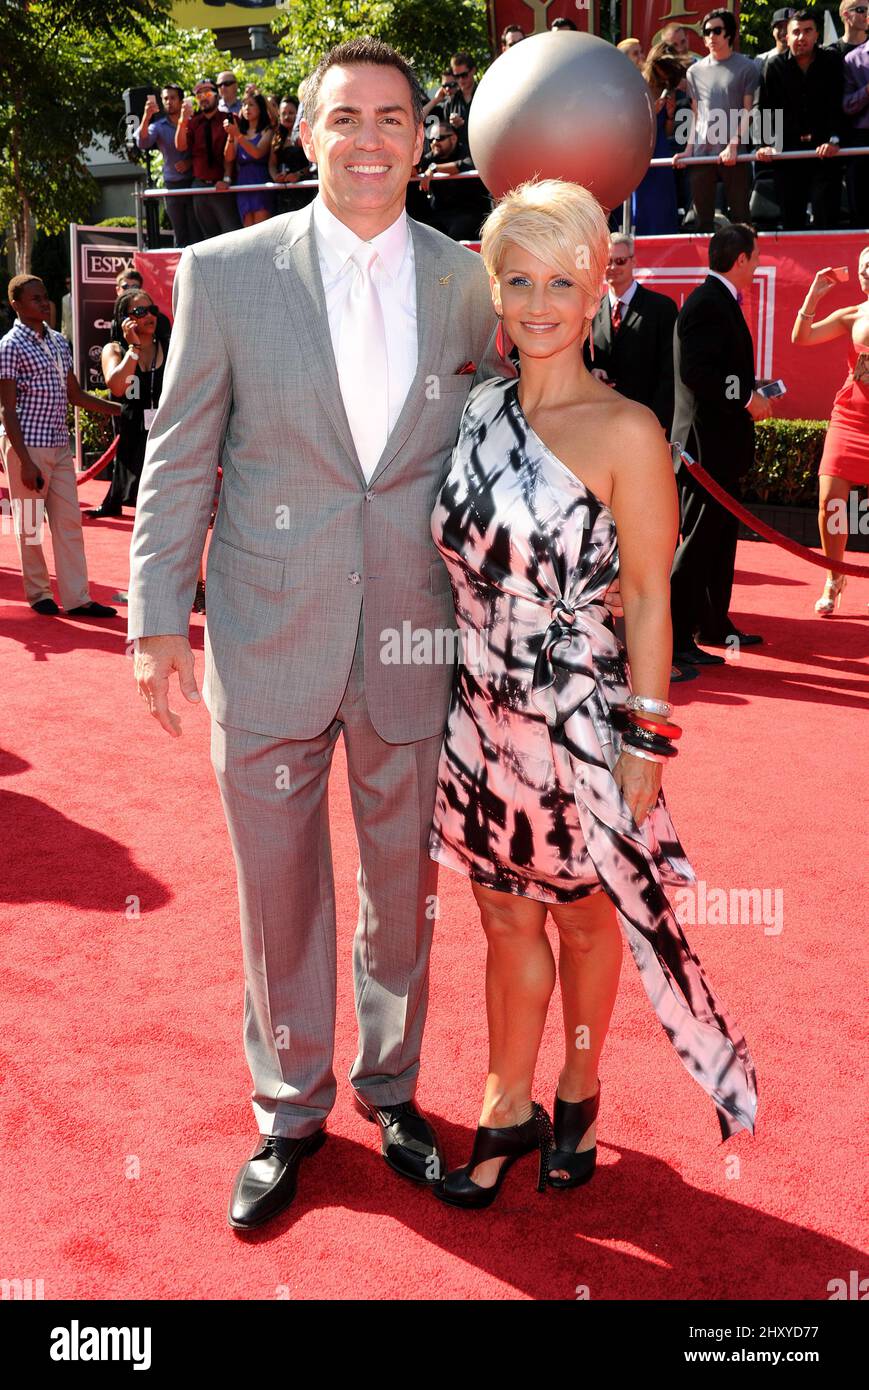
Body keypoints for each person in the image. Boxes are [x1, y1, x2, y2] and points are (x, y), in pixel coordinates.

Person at [127, 37, 513, 1232]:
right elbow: (179, 454)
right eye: (344, 117)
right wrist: (154, 622)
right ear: (304, 134)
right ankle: (289, 1109)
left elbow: (478, 458)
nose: (368, 139)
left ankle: (390, 1090)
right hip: (267, 630)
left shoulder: (464, 281)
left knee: (401, 888)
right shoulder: (225, 272)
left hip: (412, 638)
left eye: (392, 118)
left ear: (420, 136)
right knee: (277, 888)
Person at [428, 179, 758, 1209]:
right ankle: (503, 1097)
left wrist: (646, 742)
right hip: (478, 713)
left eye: (559, 281)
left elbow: (653, 599)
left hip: (579, 716)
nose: (536, 301)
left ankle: (575, 1088)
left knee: (578, 915)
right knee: (498, 917)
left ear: (593, 294)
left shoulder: (625, 430)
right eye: (516, 278)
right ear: (494, 287)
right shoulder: (475, 406)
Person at [670, 224, 770, 670]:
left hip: (718, 449)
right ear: (742, 259)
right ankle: (673, 638)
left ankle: (711, 624)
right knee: (697, 543)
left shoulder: (716, 300)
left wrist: (747, 390)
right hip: (702, 452)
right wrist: (748, 398)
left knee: (719, 541)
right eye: (757, 256)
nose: (760, 264)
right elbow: (698, 372)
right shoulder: (709, 301)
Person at [0, 275, 121, 618]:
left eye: (45, 296)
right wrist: (24, 461)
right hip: (26, 447)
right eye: (35, 298)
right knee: (30, 524)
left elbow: (75, 395)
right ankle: (39, 593)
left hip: (58, 447)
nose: (44, 303)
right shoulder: (10, 345)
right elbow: (8, 408)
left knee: (69, 523)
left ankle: (78, 598)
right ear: (17, 305)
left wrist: (121, 410)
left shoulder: (58, 342)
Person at [791, 249, 869, 613]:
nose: (868, 271)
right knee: (830, 503)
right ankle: (834, 577)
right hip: (850, 417)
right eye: (864, 267)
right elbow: (801, 337)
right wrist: (814, 294)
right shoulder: (851, 314)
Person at [673, 9, 760, 233]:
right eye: (707, 32)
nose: (711, 36)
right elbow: (696, 114)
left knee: (741, 217)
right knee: (701, 220)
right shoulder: (694, 71)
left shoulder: (748, 67)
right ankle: (704, 266)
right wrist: (687, 150)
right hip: (702, 154)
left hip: (736, 154)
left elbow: (748, 111)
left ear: (729, 34)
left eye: (717, 30)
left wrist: (733, 145)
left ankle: (749, 263)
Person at [756, 13, 844, 230]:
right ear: (787, 37)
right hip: (788, 155)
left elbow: (838, 104)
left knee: (827, 217)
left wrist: (834, 139)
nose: (801, 37)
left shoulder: (831, 62)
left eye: (807, 31)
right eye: (796, 32)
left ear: (816, 35)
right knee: (791, 219)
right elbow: (764, 108)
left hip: (825, 153)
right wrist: (765, 144)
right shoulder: (773, 66)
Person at [85, 290, 168, 520]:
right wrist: (134, 349)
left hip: (165, 429)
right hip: (132, 431)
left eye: (151, 310)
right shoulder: (114, 350)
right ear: (125, 319)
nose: (149, 316)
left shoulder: (168, 345)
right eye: (140, 311)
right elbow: (118, 387)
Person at [583, 233, 678, 432]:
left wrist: (660, 423)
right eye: (607, 261)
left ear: (633, 261)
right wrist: (592, 371)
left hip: (645, 422)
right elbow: (581, 361)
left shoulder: (662, 309)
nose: (613, 267)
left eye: (620, 261)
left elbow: (670, 373)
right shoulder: (589, 311)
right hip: (600, 423)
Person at [633, 42, 690, 233]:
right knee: (644, 207)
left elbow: (667, 132)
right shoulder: (638, 84)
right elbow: (631, 129)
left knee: (664, 205)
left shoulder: (669, 87)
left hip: (661, 153)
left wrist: (671, 114)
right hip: (641, 155)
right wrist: (651, 112)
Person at [175, 79, 241, 240]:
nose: (203, 98)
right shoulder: (193, 123)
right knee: (208, 238)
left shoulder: (229, 118)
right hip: (200, 187)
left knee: (232, 234)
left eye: (208, 93)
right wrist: (182, 120)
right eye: (199, 95)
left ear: (216, 96)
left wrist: (226, 179)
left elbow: (232, 154)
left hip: (223, 186)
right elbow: (181, 146)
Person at [136, 85, 197, 249]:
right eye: (165, 99)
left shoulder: (193, 121)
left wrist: (189, 162)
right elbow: (142, 143)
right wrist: (146, 117)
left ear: (181, 100)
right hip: (173, 185)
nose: (169, 102)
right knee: (180, 233)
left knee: (196, 231)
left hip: (195, 183)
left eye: (172, 98)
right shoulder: (159, 125)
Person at [418, 123, 491, 240]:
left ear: (453, 138)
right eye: (431, 139)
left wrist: (434, 168)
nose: (434, 143)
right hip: (440, 213)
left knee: (456, 232)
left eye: (439, 138)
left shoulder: (467, 151)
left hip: (469, 211)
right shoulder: (430, 157)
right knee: (422, 233)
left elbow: (467, 164)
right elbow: (414, 169)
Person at [224, 92, 275, 226]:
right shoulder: (238, 131)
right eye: (244, 105)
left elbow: (258, 153)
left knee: (262, 232)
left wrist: (238, 136)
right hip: (243, 184)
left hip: (260, 182)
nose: (247, 108)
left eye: (251, 104)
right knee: (248, 232)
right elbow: (229, 157)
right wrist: (231, 136)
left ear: (260, 108)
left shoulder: (267, 131)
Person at [269, 96, 314, 212]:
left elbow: (314, 164)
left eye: (291, 113)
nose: (287, 116)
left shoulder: (305, 136)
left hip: (305, 189)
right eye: (283, 113)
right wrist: (276, 176)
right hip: (283, 191)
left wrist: (299, 175)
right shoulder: (277, 137)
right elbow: (272, 164)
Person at [843, 34, 869, 226]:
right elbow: (847, 106)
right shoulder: (853, 59)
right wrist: (867, 91)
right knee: (861, 213)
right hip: (862, 141)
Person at [443, 53, 478, 159]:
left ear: (473, 71)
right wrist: (451, 126)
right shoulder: (450, 102)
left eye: (464, 75)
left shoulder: (484, 94)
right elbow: (446, 137)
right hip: (459, 159)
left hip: (483, 154)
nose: (461, 80)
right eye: (456, 76)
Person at [754, 7, 795, 76]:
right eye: (779, 26)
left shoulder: (804, 60)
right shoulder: (761, 60)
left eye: (789, 26)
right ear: (773, 31)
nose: (784, 31)